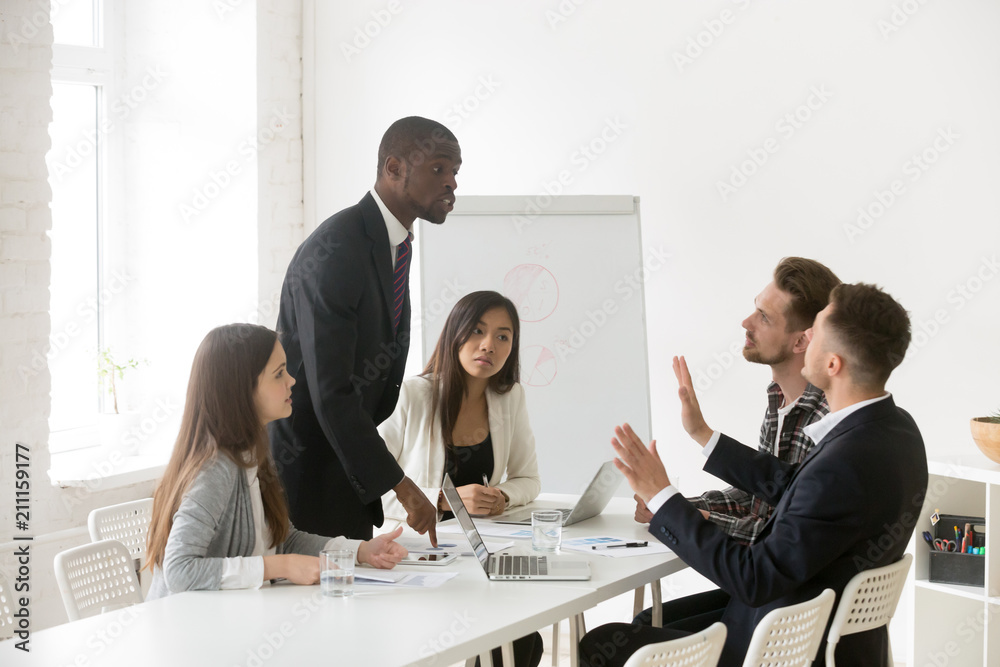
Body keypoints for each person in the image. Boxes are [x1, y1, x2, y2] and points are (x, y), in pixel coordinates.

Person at [581, 283, 928, 666]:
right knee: (646, 623)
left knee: (602, 644)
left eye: (817, 330)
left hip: (780, 645)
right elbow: (798, 488)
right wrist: (703, 437)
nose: (806, 335)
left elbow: (753, 577)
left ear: (833, 365)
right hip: (817, 627)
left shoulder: (843, 464)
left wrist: (663, 496)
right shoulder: (897, 430)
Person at [269, 117, 462, 543]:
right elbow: (331, 391)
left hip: (345, 468)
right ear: (394, 168)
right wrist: (402, 486)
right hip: (310, 474)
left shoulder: (393, 243)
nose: (451, 183)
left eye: (455, 173)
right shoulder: (337, 248)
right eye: (438, 169)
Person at [633, 257, 840, 629]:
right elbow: (758, 500)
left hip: (782, 614)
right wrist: (672, 506)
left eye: (764, 317)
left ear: (801, 341)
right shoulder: (779, 398)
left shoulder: (823, 421)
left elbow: (776, 534)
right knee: (647, 621)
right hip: (774, 601)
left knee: (622, 639)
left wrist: (682, 512)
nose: (747, 322)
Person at [145, 324, 407, 600]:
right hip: (187, 632)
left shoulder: (252, 453)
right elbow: (179, 570)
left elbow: (283, 541)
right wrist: (278, 567)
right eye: (279, 373)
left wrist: (360, 551)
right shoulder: (214, 468)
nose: (291, 381)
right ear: (241, 388)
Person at [379, 290, 542, 667]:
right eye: (478, 331)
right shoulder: (413, 394)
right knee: (504, 638)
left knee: (523, 639)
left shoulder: (509, 397)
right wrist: (440, 499)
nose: (489, 345)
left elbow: (529, 478)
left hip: (477, 552)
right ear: (455, 333)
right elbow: (367, 486)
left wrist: (500, 495)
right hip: (416, 555)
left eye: (503, 336)